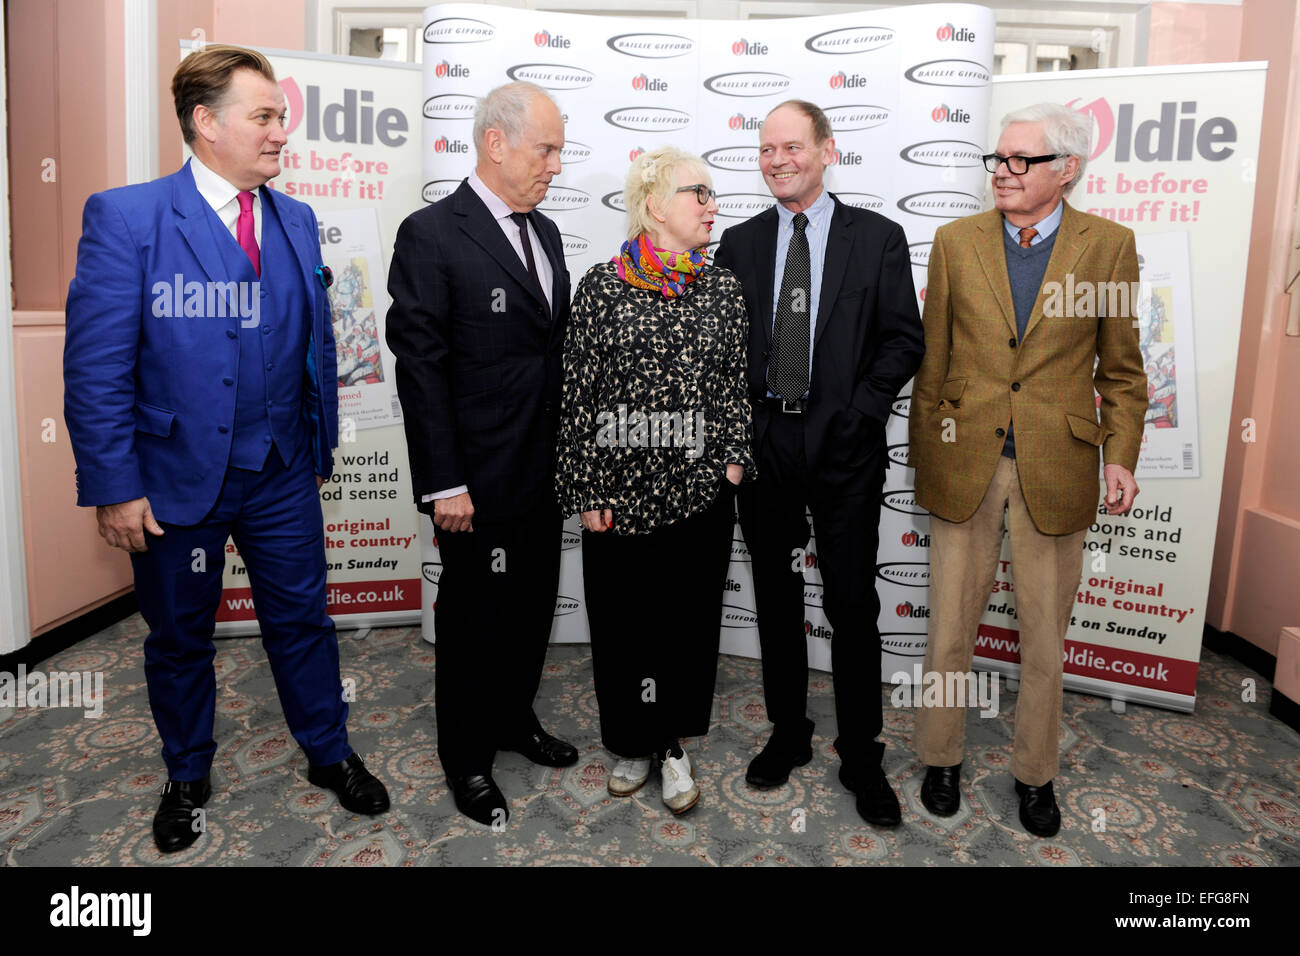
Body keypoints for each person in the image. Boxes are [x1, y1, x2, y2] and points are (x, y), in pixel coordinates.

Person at [63, 44, 389, 855]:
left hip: (282, 470)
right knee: (179, 637)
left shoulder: (296, 218)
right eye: (265, 116)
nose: (282, 132)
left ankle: (329, 749)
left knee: (303, 620)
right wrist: (114, 486)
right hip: (176, 480)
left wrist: (316, 441)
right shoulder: (128, 218)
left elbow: (314, 344)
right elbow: (96, 368)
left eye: (282, 117)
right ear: (206, 123)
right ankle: (186, 772)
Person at [909, 102, 1147, 837]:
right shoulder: (956, 242)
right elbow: (934, 362)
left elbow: (1123, 371)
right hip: (966, 466)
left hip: (1058, 467)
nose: (1004, 172)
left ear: (1066, 169)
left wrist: (1120, 456)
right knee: (950, 630)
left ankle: (1035, 775)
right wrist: (929, 456)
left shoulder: (1108, 247)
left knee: (1044, 640)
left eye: (1022, 160)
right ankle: (941, 758)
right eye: (999, 158)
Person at [714, 100, 924, 826]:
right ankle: (789, 731)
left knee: (852, 603)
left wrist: (859, 414)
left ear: (827, 151)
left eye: (792, 147)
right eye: (766, 149)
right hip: (766, 446)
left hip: (846, 449)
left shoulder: (878, 237)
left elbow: (903, 340)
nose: (777, 160)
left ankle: (861, 752)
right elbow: (722, 349)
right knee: (775, 595)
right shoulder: (739, 243)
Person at [386, 82, 577, 828]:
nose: (555, 166)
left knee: (530, 611)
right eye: (546, 150)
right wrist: (445, 483)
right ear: (496, 142)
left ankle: (513, 720)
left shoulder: (547, 233)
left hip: (543, 473)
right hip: (474, 483)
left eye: (559, 151)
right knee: (473, 622)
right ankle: (465, 757)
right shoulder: (432, 233)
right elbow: (422, 368)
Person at [556, 147, 752, 814]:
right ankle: (631, 741)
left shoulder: (722, 287)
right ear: (653, 205)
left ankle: (668, 743)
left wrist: (731, 462)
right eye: (698, 193)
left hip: (699, 492)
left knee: (684, 625)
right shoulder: (602, 286)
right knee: (624, 625)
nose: (711, 206)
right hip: (618, 494)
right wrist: (585, 488)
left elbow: (733, 387)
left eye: (712, 194)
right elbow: (577, 395)